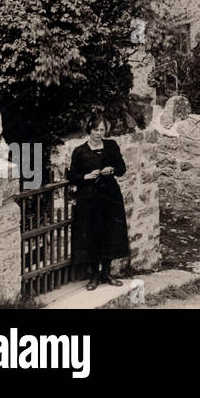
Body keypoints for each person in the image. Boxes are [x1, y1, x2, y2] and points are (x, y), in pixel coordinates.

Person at [67, 116, 131, 290]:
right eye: (96, 130)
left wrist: (112, 169)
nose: (99, 133)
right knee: (93, 235)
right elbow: (72, 176)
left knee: (110, 233)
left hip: (110, 197)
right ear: (89, 129)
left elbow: (122, 169)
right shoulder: (80, 151)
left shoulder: (111, 146)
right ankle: (94, 276)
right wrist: (86, 176)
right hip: (89, 199)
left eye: (102, 130)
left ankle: (107, 274)